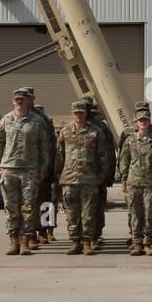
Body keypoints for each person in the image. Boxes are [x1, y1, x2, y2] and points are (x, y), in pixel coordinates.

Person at [0, 88, 51, 255]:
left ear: (28, 101)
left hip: (29, 170)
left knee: (29, 207)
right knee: (11, 207)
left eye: (22, 99)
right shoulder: (5, 120)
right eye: (16, 99)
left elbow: (45, 147)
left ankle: (26, 240)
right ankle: (13, 241)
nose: (19, 102)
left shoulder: (37, 122)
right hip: (9, 169)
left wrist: (43, 168)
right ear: (13, 101)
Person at [54, 100, 111, 255]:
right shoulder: (65, 132)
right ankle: (75, 242)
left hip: (89, 180)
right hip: (70, 180)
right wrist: (60, 175)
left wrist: (100, 177)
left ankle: (87, 242)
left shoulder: (95, 132)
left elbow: (103, 157)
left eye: (81, 113)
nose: (78, 116)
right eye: (75, 113)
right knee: (72, 214)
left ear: (86, 114)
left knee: (88, 213)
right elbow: (59, 156)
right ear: (72, 115)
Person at [118, 110, 152, 255]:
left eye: (145, 120)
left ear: (149, 122)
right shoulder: (130, 140)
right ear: (136, 122)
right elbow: (124, 162)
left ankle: (148, 242)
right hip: (133, 182)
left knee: (150, 213)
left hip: (151, 183)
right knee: (135, 213)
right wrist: (123, 181)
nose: (143, 122)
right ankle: (137, 242)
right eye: (140, 120)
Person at [26, 88, 57, 247]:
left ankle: (45, 231)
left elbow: (51, 143)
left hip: (42, 166)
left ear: (32, 98)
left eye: (29, 97)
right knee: (28, 202)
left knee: (46, 200)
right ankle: (29, 234)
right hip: (25, 167)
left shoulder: (42, 118)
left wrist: (50, 166)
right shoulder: (15, 117)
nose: (26, 100)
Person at [84, 98, 115, 250]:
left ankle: (96, 235)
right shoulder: (75, 126)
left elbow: (109, 152)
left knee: (97, 207)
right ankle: (84, 237)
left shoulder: (101, 127)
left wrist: (108, 174)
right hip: (80, 177)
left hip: (97, 176)